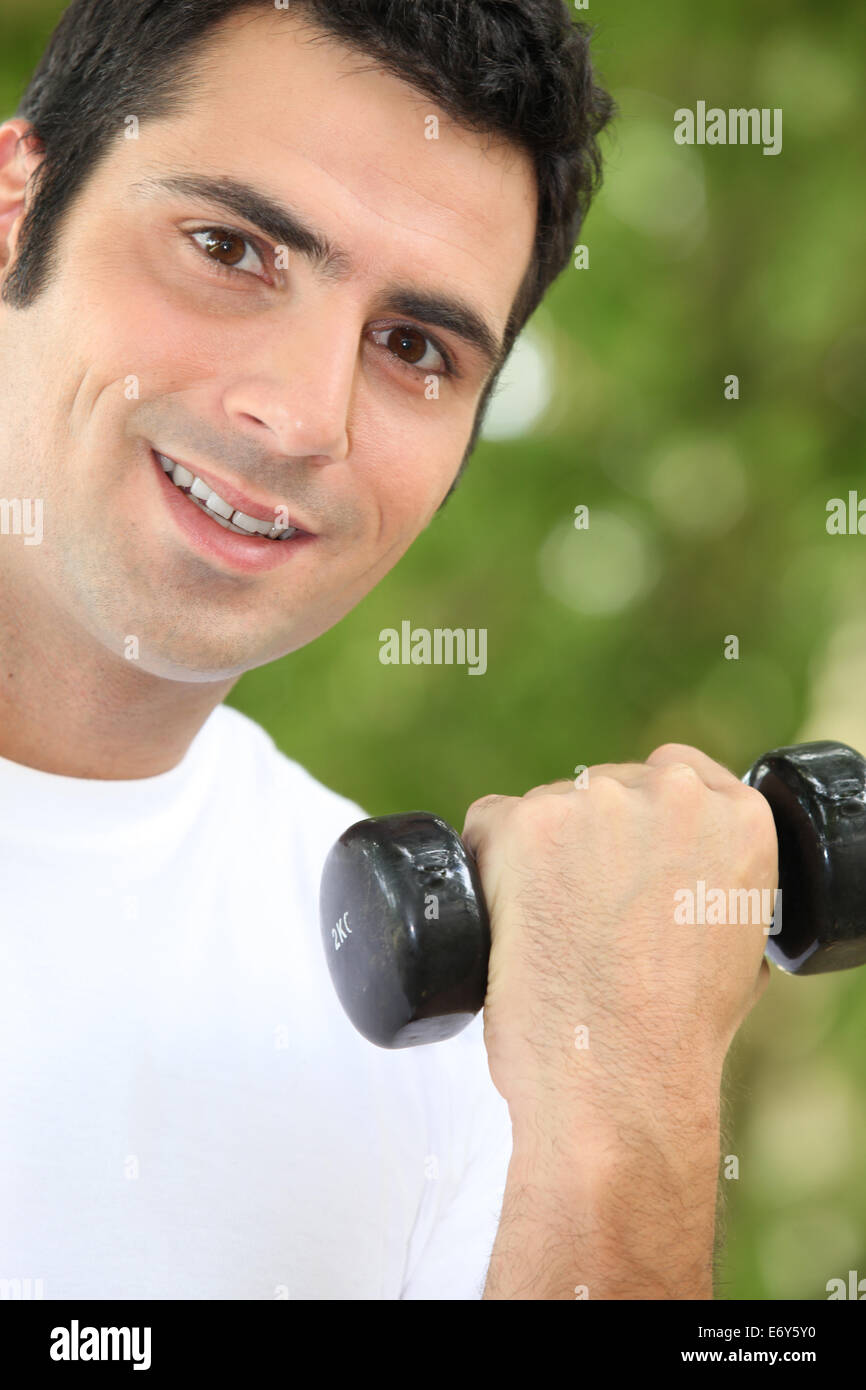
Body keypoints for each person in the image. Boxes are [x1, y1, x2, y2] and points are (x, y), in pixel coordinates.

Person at [0, 0, 775, 1301]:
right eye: (228, 247)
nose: (303, 415)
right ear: (18, 206)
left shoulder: (467, 1054)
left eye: (414, 347)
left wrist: (615, 1130)